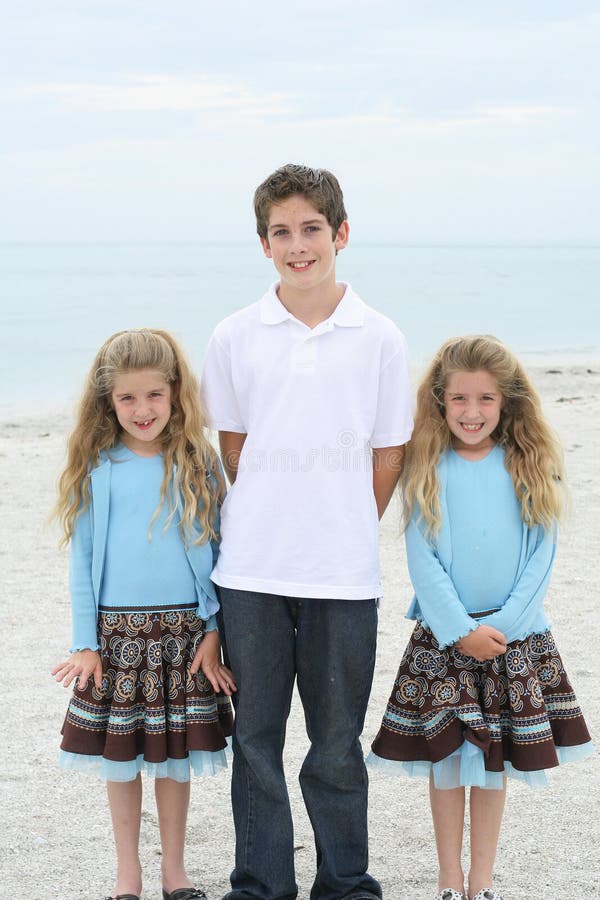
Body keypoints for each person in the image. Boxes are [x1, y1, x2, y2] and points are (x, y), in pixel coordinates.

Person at [201, 163, 413, 900]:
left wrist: (346, 518)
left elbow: (390, 451)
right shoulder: (234, 335)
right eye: (282, 232)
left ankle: (345, 883)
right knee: (254, 741)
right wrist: (274, 506)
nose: (299, 246)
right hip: (252, 572)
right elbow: (236, 445)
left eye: (312, 229)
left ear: (341, 234)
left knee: (334, 743)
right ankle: (260, 885)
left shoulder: (380, 336)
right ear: (264, 245)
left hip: (343, 574)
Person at [369, 335, 594, 900]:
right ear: (441, 402)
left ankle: (483, 882)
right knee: (448, 761)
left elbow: (543, 553)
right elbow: (421, 557)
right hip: (445, 641)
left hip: (513, 640)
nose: (472, 413)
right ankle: (449, 880)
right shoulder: (427, 467)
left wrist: (507, 625)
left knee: (494, 766)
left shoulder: (529, 463)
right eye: (460, 400)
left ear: (507, 402)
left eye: (486, 400)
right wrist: (460, 629)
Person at [51, 328, 237, 900]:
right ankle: (127, 874)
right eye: (127, 398)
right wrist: (87, 642)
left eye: (154, 395)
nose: (142, 410)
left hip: (185, 632)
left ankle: (174, 872)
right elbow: (83, 563)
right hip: (117, 637)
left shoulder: (197, 460)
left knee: (173, 757)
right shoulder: (97, 465)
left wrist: (214, 630)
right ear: (108, 401)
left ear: (175, 393)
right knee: (121, 757)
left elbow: (221, 551)